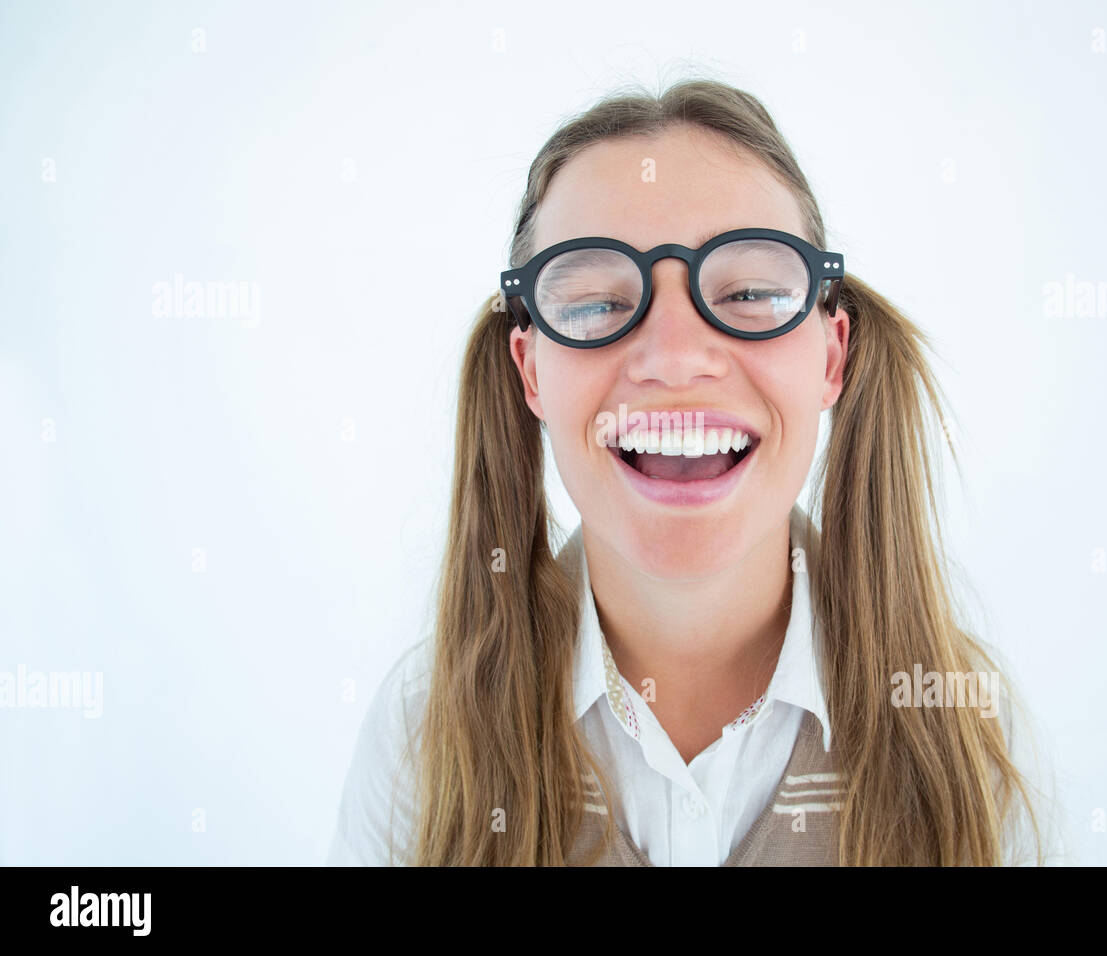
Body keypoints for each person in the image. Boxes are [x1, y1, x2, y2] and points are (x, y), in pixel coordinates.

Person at [327, 78, 1067, 866]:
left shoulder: (966, 735)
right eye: (597, 304)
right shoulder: (421, 733)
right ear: (531, 372)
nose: (675, 356)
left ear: (832, 354)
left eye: (749, 292)